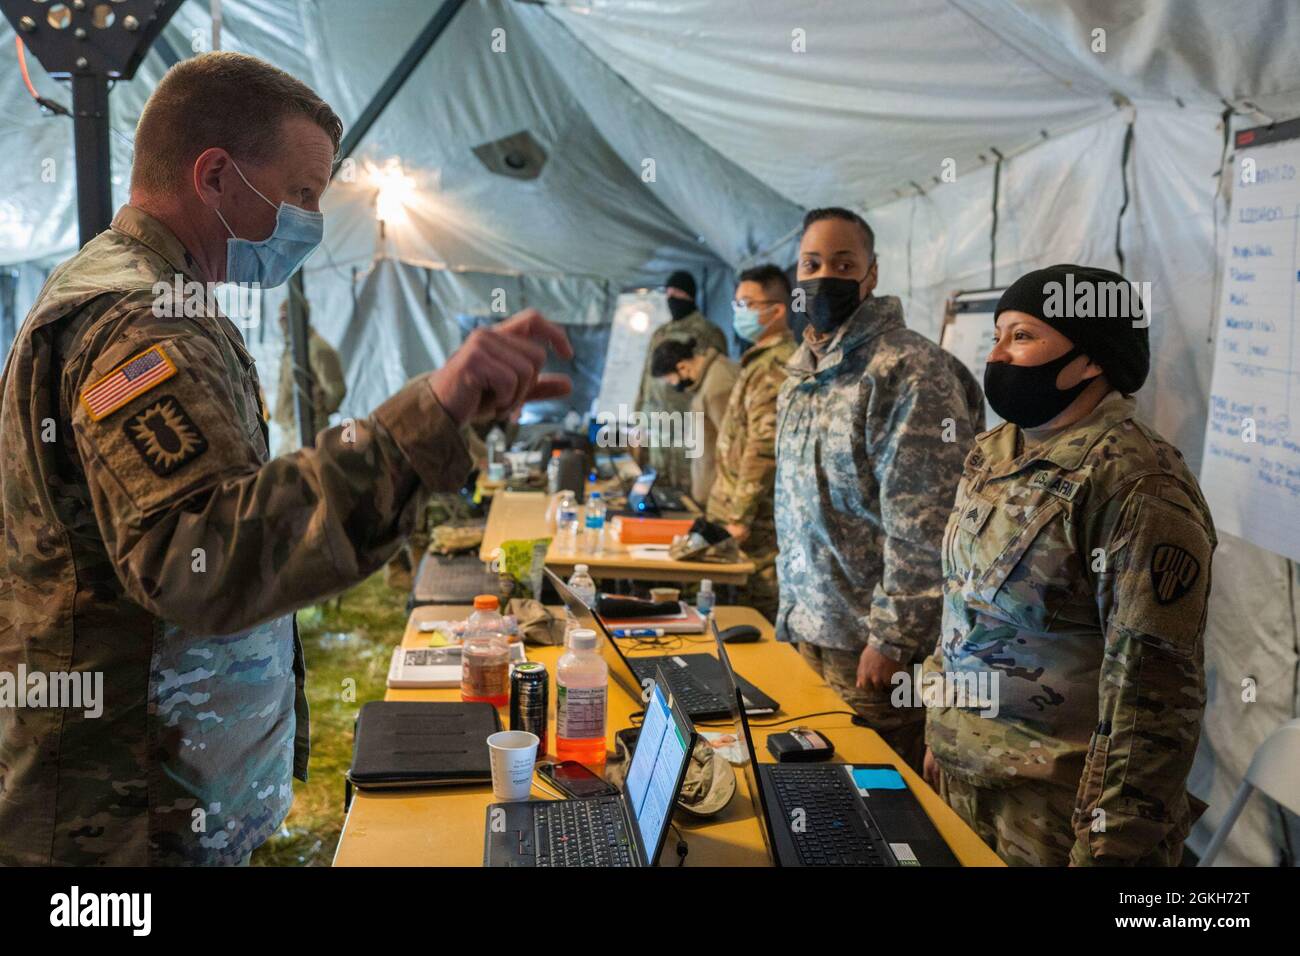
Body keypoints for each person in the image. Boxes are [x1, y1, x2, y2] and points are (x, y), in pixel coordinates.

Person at [0, 51, 572, 866]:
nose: (311, 217)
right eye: (301, 192)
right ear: (215, 176)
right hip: (119, 819)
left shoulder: (163, 302)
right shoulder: (139, 322)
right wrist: (424, 417)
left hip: (152, 792)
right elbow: (200, 554)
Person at [922, 265, 1216, 866]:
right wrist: (942, 726)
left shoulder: (1136, 483)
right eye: (998, 333)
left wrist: (1110, 844)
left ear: (1090, 359)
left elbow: (1151, 693)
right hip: (964, 778)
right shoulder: (995, 450)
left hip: (1058, 814)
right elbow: (961, 603)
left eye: (1022, 336)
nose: (997, 352)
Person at [775, 207, 984, 774]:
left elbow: (926, 521)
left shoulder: (909, 371)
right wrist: (787, 616)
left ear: (870, 274)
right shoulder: (803, 372)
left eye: (843, 263)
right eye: (812, 263)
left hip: (869, 652)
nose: (825, 276)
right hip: (805, 632)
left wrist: (893, 639)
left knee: (877, 811)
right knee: (813, 804)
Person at [705, 264, 796, 621]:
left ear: (776, 309)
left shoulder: (775, 364)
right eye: (737, 304)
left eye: (748, 304)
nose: (739, 313)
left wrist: (739, 516)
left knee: (756, 614)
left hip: (755, 524)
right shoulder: (760, 361)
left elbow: (763, 443)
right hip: (744, 515)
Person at [635, 270, 727, 493]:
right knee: (658, 486)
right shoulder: (660, 333)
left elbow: (713, 382)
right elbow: (646, 380)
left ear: (689, 295)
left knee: (689, 490)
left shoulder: (707, 332)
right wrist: (639, 417)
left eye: (676, 292)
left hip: (687, 425)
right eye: (667, 292)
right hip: (656, 427)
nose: (671, 297)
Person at [649, 336, 739, 506]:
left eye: (670, 380)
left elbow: (733, 445)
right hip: (712, 497)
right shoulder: (706, 382)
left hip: (723, 500)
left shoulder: (718, 385)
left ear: (682, 367)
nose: (673, 384)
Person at [274, 298, 346, 445]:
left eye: (285, 317)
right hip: (289, 431)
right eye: (280, 318)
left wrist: (318, 412)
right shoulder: (292, 348)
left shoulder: (316, 347)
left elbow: (337, 390)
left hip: (309, 430)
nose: (282, 323)